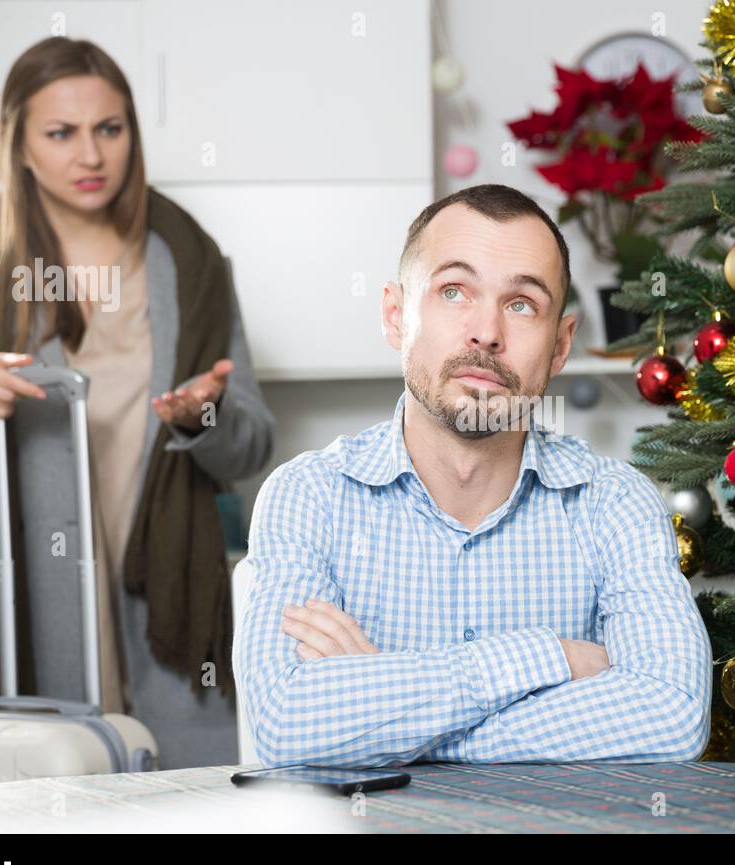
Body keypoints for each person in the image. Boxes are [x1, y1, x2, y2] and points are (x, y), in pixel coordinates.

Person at [0, 37, 275, 770]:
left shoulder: (191, 262)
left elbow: (253, 442)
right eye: (60, 133)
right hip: (28, 610)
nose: (91, 155)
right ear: (19, 145)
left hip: (168, 608)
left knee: (189, 807)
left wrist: (205, 419)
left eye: (110, 128)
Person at [238, 183, 711, 767]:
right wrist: (550, 658)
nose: (487, 332)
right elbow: (286, 724)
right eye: (455, 291)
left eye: (521, 304)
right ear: (395, 316)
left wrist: (390, 717)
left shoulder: (615, 503)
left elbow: (672, 713)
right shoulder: (307, 497)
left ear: (561, 345)